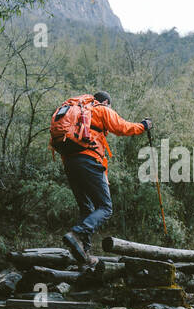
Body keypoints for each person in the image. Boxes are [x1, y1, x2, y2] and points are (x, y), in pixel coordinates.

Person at [58, 91, 151, 265]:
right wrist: (143, 126)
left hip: (70, 162)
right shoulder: (100, 109)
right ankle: (76, 234)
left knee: (87, 208)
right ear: (106, 102)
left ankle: (83, 253)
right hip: (89, 160)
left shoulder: (77, 110)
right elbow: (123, 127)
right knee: (105, 208)